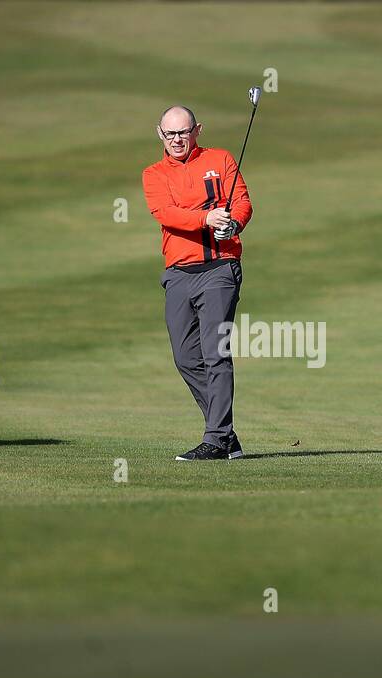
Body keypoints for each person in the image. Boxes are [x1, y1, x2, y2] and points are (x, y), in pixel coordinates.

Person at [142, 105, 252, 460]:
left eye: (183, 132)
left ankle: (216, 438)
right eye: (170, 133)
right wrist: (207, 216)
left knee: (215, 354)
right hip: (178, 273)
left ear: (197, 130)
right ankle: (226, 434)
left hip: (219, 269)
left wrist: (232, 223)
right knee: (185, 357)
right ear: (160, 133)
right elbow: (166, 213)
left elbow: (243, 203)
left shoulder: (220, 159)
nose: (177, 139)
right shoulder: (154, 174)